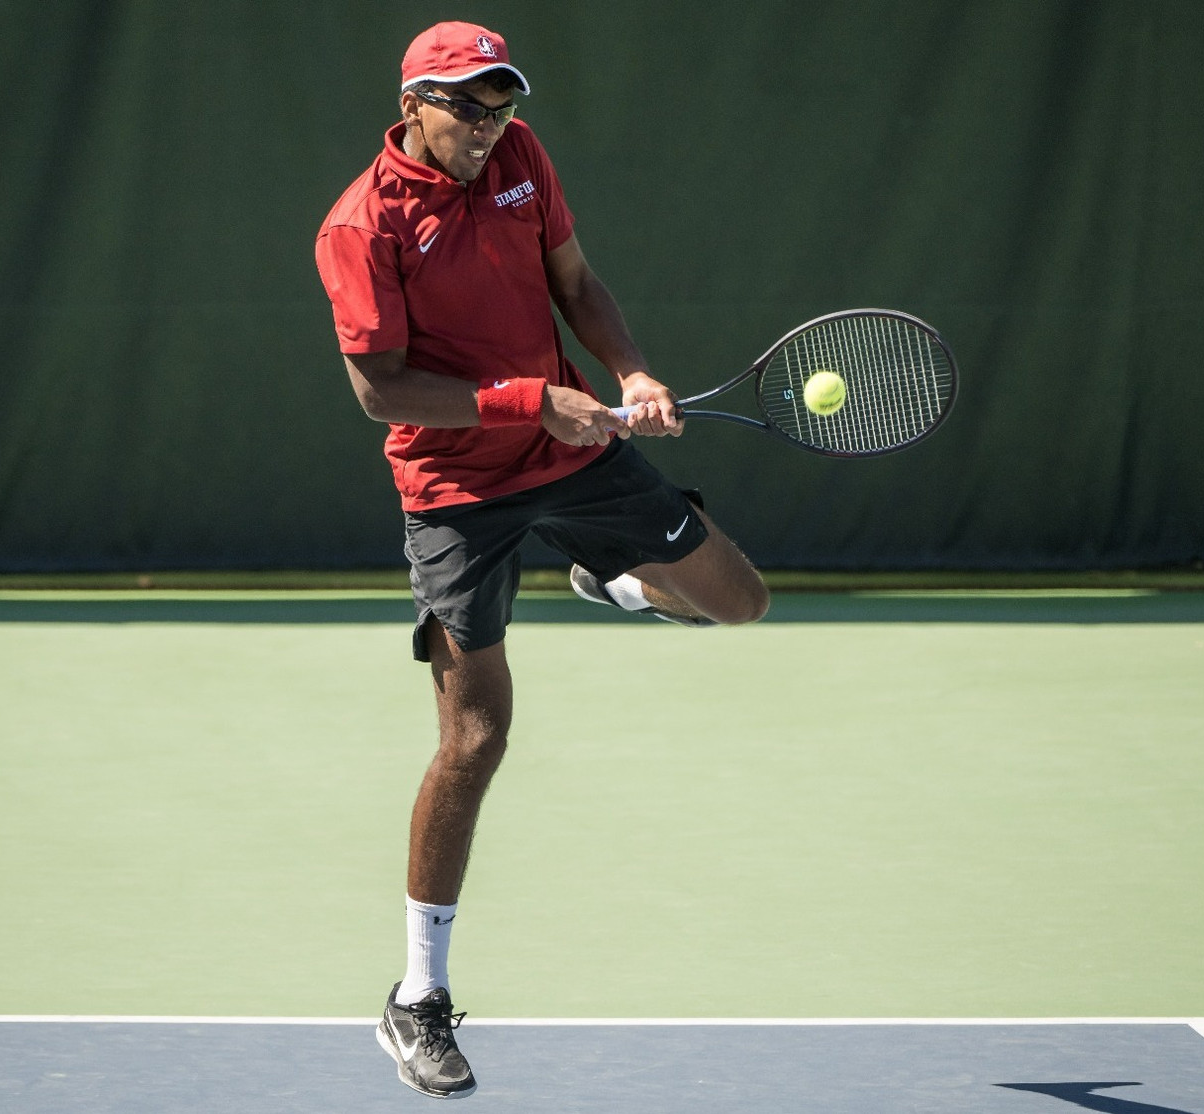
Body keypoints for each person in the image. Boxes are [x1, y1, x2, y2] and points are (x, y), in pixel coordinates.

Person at [314, 21, 770, 1100]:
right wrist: (529, 401)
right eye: (467, 106)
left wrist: (633, 371)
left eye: (502, 103)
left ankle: (612, 580)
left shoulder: (520, 157)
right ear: (413, 106)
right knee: (476, 738)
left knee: (739, 601)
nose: (489, 124)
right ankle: (418, 997)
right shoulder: (362, 224)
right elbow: (381, 389)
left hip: (572, 451)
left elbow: (577, 281)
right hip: (455, 490)